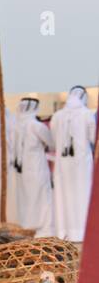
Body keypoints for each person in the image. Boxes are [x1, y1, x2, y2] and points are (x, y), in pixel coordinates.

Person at [51, 86, 95, 241]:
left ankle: (65, 232)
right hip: (82, 164)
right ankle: (83, 231)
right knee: (83, 194)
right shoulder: (88, 114)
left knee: (64, 195)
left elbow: (53, 139)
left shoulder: (57, 116)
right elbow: (92, 138)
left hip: (63, 165)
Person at [12, 97, 55, 236]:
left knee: (27, 197)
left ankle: (28, 226)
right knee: (42, 196)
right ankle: (43, 229)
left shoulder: (15, 126)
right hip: (37, 165)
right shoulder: (36, 125)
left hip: (22, 169)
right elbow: (51, 143)